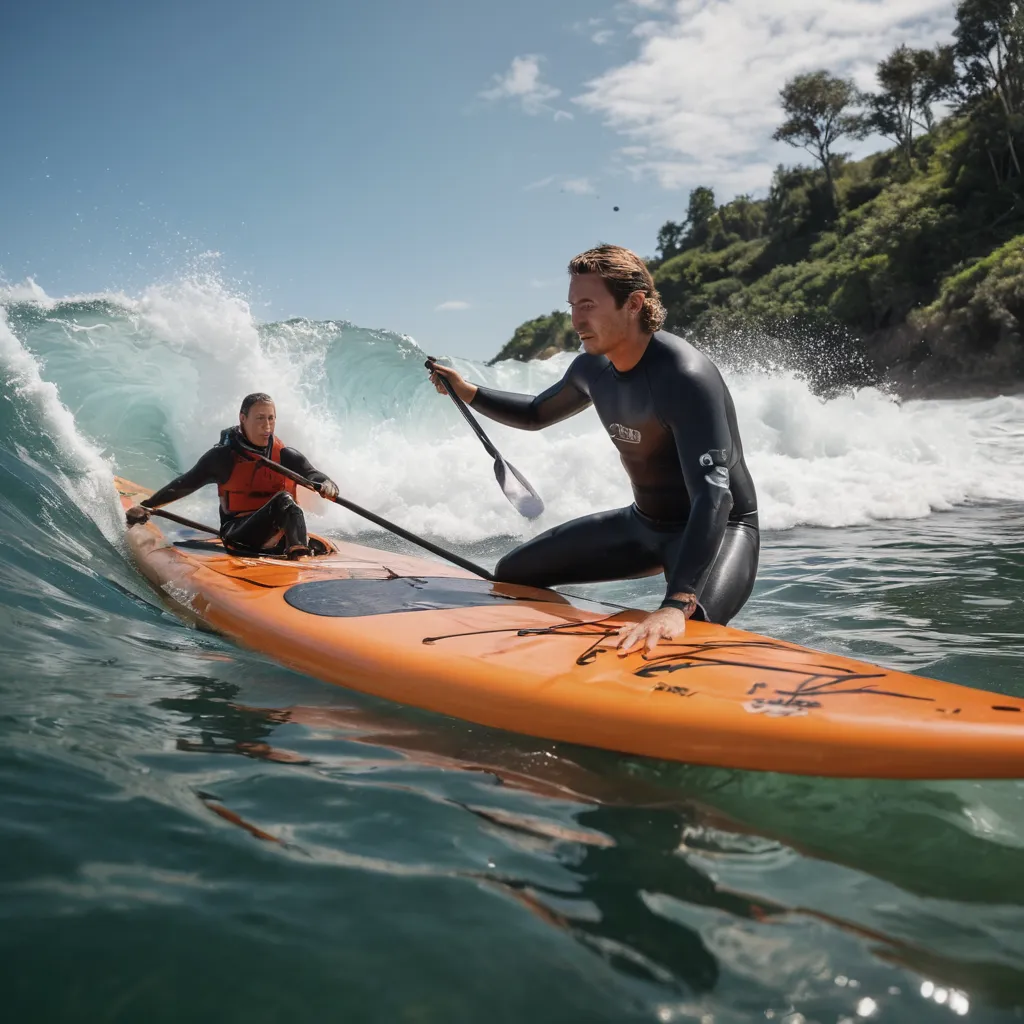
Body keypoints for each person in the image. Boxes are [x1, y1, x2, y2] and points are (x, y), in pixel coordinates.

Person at [427, 244, 758, 655]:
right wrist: (468, 391)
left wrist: (677, 602)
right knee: (513, 573)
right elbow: (535, 413)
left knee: (691, 626)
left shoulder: (684, 377)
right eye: (572, 305)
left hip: (720, 528)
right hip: (646, 525)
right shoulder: (592, 368)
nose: (576, 320)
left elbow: (715, 495)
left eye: (588, 304)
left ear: (633, 303)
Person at [125, 392, 339, 559]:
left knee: (291, 508)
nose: (267, 426)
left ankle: (297, 551)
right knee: (285, 501)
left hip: (279, 539)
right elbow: (184, 484)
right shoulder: (223, 458)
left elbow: (313, 474)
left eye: (271, 419)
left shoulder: (285, 456)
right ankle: (299, 559)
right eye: (260, 419)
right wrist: (147, 506)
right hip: (239, 535)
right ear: (243, 418)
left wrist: (327, 484)